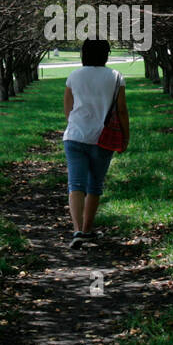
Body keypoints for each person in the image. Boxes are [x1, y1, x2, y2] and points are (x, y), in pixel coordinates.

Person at [62, 38, 128, 249]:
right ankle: (87, 230)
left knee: (76, 184)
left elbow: (68, 108)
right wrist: (125, 137)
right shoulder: (116, 77)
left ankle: (77, 230)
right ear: (106, 55)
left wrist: (78, 125)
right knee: (94, 186)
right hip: (102, 138)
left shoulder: (74, 76)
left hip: (75, 136)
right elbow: (122, 111)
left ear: (84, 54)